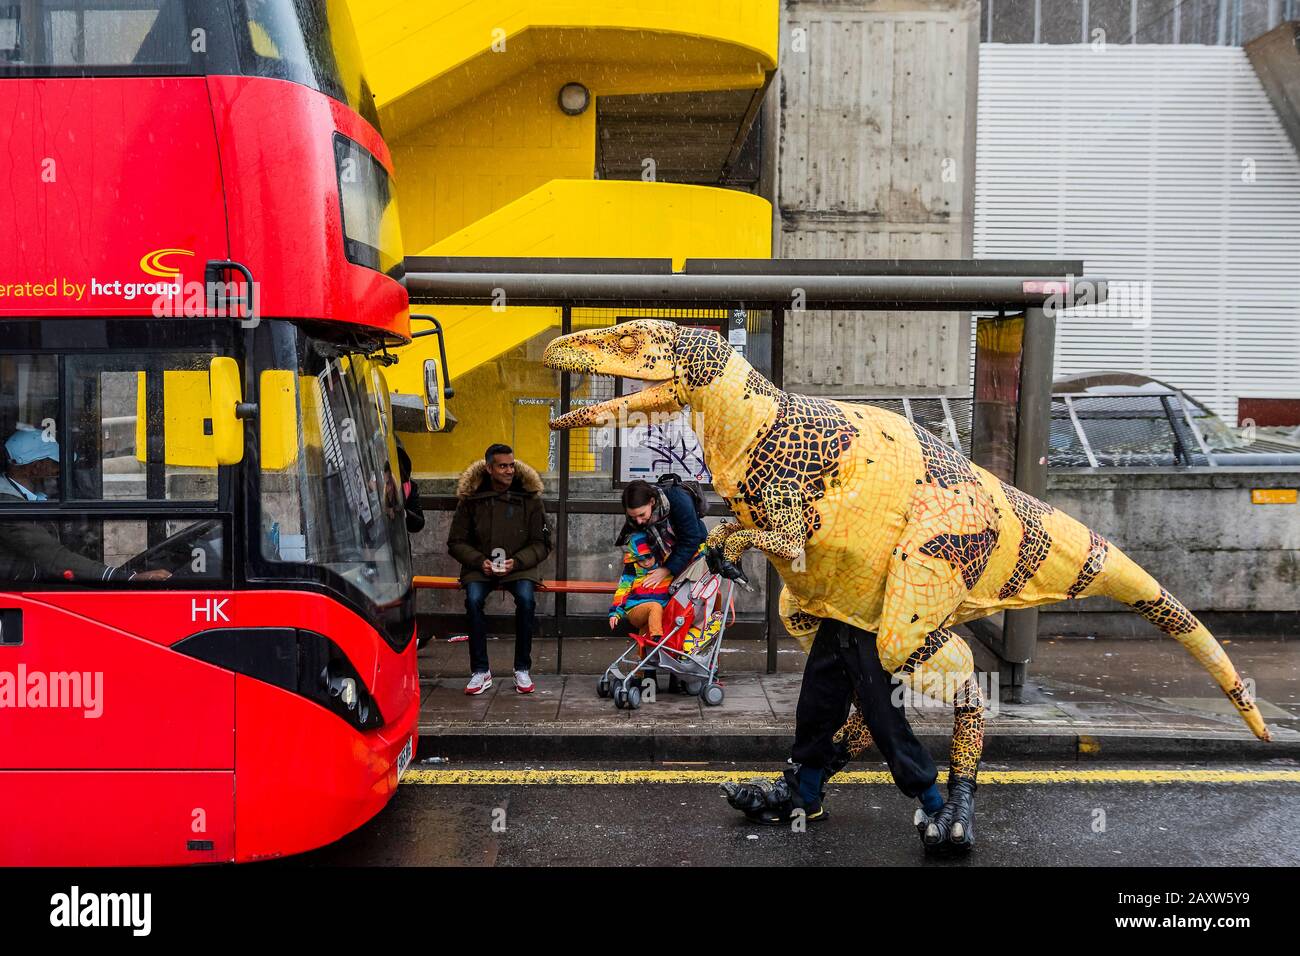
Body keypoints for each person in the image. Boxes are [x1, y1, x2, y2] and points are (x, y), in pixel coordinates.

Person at [0, 427, 171, 584]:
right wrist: (125, 578)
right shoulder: (8, 506)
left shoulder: (30, 498)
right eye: (54, 463)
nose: (59, 470)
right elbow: (54, 557)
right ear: (35, 467)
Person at [447, 443, 550, 695]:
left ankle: (522, 668)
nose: (509, 470)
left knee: (526, 600)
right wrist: (479, 561)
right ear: (490, 468)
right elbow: (455, 542)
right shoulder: (471, 500)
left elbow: (543, 543)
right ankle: (480, 671)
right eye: (503, 466)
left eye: (511, 465)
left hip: (518, 567)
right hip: (480, 566)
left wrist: (518, 562)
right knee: (472, 601)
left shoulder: (530, 498)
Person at [616, 477, 707, 591]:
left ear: (652, 502)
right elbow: (635, 545)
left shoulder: (679, 500)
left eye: (641, 515)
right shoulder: (637, 514)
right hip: (665, 556)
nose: (638, 521)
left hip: (694, 552)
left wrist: (667, 569)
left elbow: (691, 539)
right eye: (633, 517)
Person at [607, 532, 673, 642]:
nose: (646, 563)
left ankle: (643, 656)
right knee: (654, 607)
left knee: (649, 624)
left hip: (660, 612)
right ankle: (657, 640)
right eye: (641, 559)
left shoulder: (666, 565)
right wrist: (615, 612)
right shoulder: (632, 569)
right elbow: (623, 590)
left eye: (649, 557)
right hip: (636, 609)